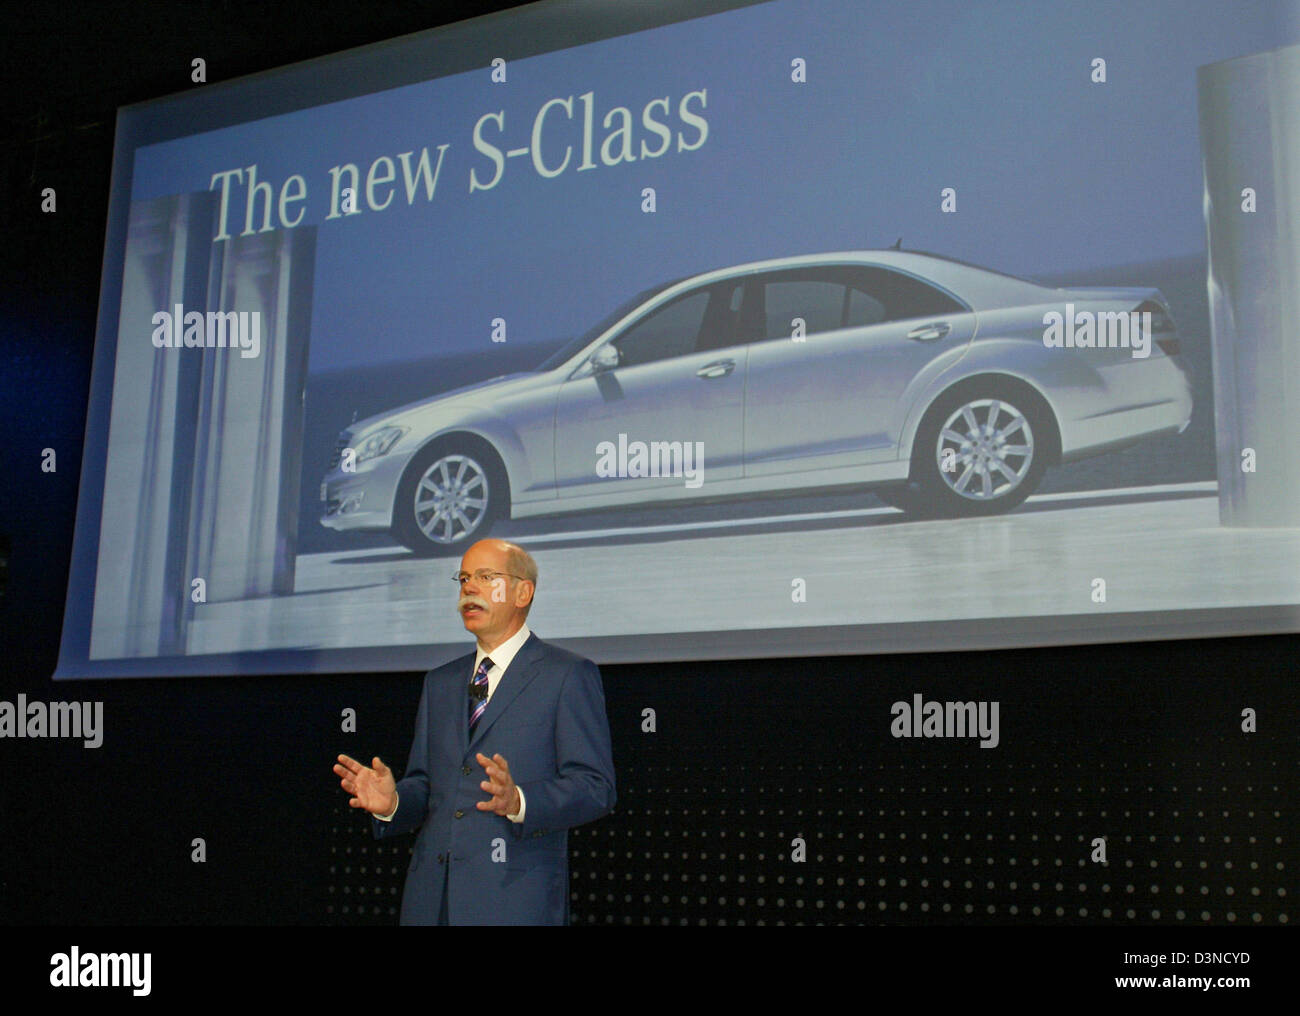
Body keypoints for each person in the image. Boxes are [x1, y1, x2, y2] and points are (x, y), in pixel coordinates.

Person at [333, 539, 616, 925]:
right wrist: (393, 802)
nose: (469, 587)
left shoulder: (566, 675)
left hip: (513, 902)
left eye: (486, 576)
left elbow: (595, 787)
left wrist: (518, 800)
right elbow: (427, 785)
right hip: (432, 903)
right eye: (464, 577)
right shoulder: (441, 682)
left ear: (522, 591)